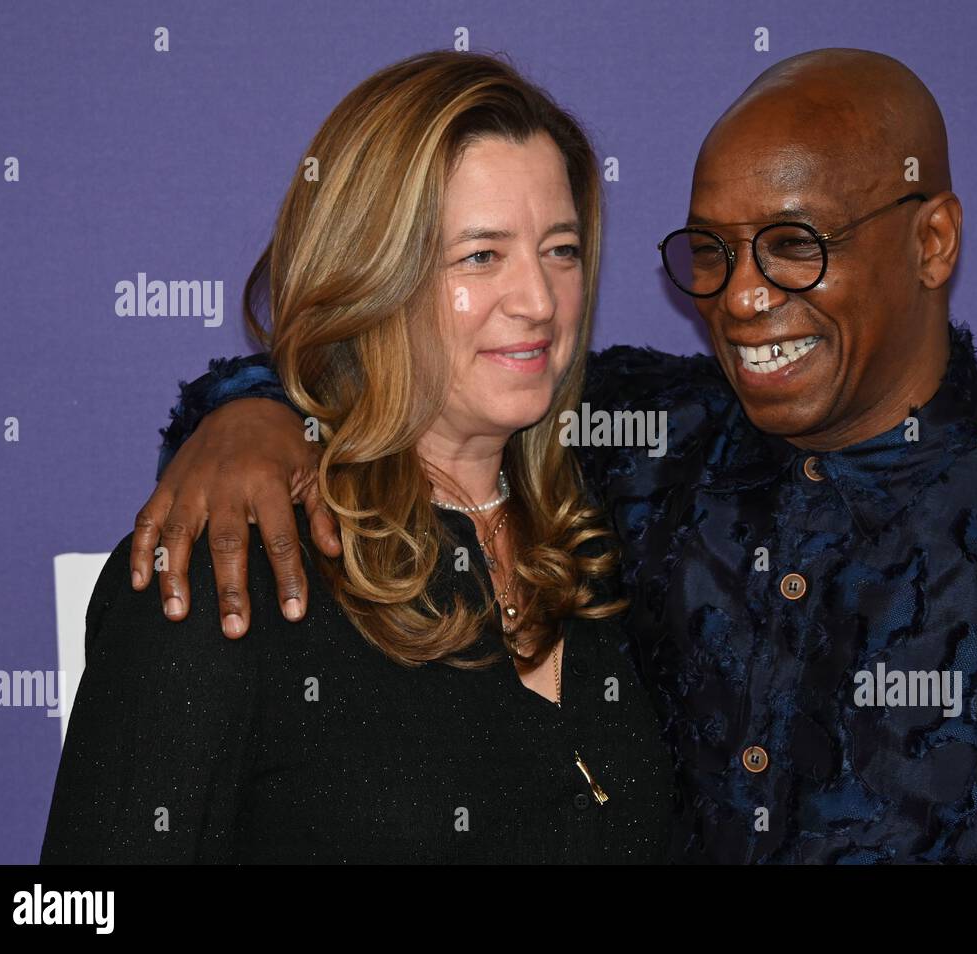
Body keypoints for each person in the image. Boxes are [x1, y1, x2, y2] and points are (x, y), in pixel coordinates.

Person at [126, 49, 977, 864]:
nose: (744, 298)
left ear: (932, 241)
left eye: (793, 245)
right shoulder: (632, 442)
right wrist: (257, 420)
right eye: (708, 253)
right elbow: (409, 372)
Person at [40, 51, 675, 864]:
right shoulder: (229, 563)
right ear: (370, 277)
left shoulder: (614, 540)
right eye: (480, 256)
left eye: (561, 250)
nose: (539, 302)